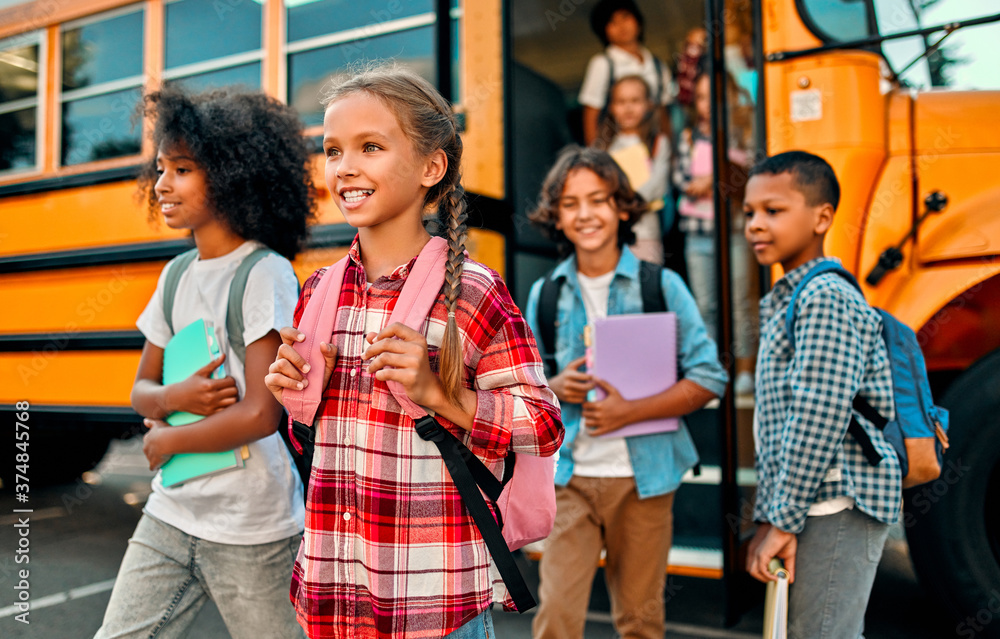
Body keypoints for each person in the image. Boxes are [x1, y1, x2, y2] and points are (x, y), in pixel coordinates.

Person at [263, 65, 563, 639]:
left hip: (434, 602)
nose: (345, 166)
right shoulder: (319, 292)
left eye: (370, 147)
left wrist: (438, 394)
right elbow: (322, 441)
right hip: (334, 594)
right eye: (332, 150)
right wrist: (291, 390)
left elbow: (544, 424)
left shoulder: (471, 292)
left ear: (432, 167)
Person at [95, 86, 315, 638]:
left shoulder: (263, 273)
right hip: (170, 513)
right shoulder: (175, 276)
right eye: (161, 168)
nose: (162, 184)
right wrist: (173, 400)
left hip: (252, 527)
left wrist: (169, 439)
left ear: (233, 174)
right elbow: (141, 390)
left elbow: (264, 414)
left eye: (183, 168)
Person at [525, 146, 728, 639]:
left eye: (598, 199)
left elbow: (709, 377)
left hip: (644, 480)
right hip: (568, 477)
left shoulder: (663, 286)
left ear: (621, 207)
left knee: (639, 621)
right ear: (557, 216)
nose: (585, 214)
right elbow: (525, 387)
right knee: (556, 618)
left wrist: (628, 413)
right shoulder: (545, 293)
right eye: (571, 204)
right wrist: (554, 386)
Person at [743, 151, 900, 639]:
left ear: (822, 217)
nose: (755, 225)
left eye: (774, 210)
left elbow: (818, 413)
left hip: (835, 500)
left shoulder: (824, 296)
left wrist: (781, 521)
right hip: (813, 500)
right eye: (749, 213)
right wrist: (774, 515)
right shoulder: (791, 296)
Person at [672, 70, 756, 395]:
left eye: (716, 96)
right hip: (698, 233)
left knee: (741, 302)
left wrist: (713, 179)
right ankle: (712, 371)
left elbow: (751, 179)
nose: (709, 104)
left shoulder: (744, 131)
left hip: (734, 230)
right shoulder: (689, 136)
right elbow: (682, 181)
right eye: (703, 96)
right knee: (705, 305)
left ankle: (746, 369)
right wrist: (713, 179)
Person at [594, 75, 670, 264]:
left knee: (648, 287)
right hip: (609, 235)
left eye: (635, 101)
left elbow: (658, 186)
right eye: (621, 102)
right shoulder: (603, 147)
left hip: (646, 234)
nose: (628, 108)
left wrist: (623, 202)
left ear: (649, 105)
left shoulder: (658, 143)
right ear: (611, 107)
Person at [578, 0, 673, 146]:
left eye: (625, 17)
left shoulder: (657, 65)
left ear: (638, 20)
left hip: (653, 150)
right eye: (612, 22)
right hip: (618, 152)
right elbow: (591, 117)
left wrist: (669, 149)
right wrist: (595, 157)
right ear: (603, 30)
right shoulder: (602, 64)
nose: (621, 26)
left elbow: (663, 113)